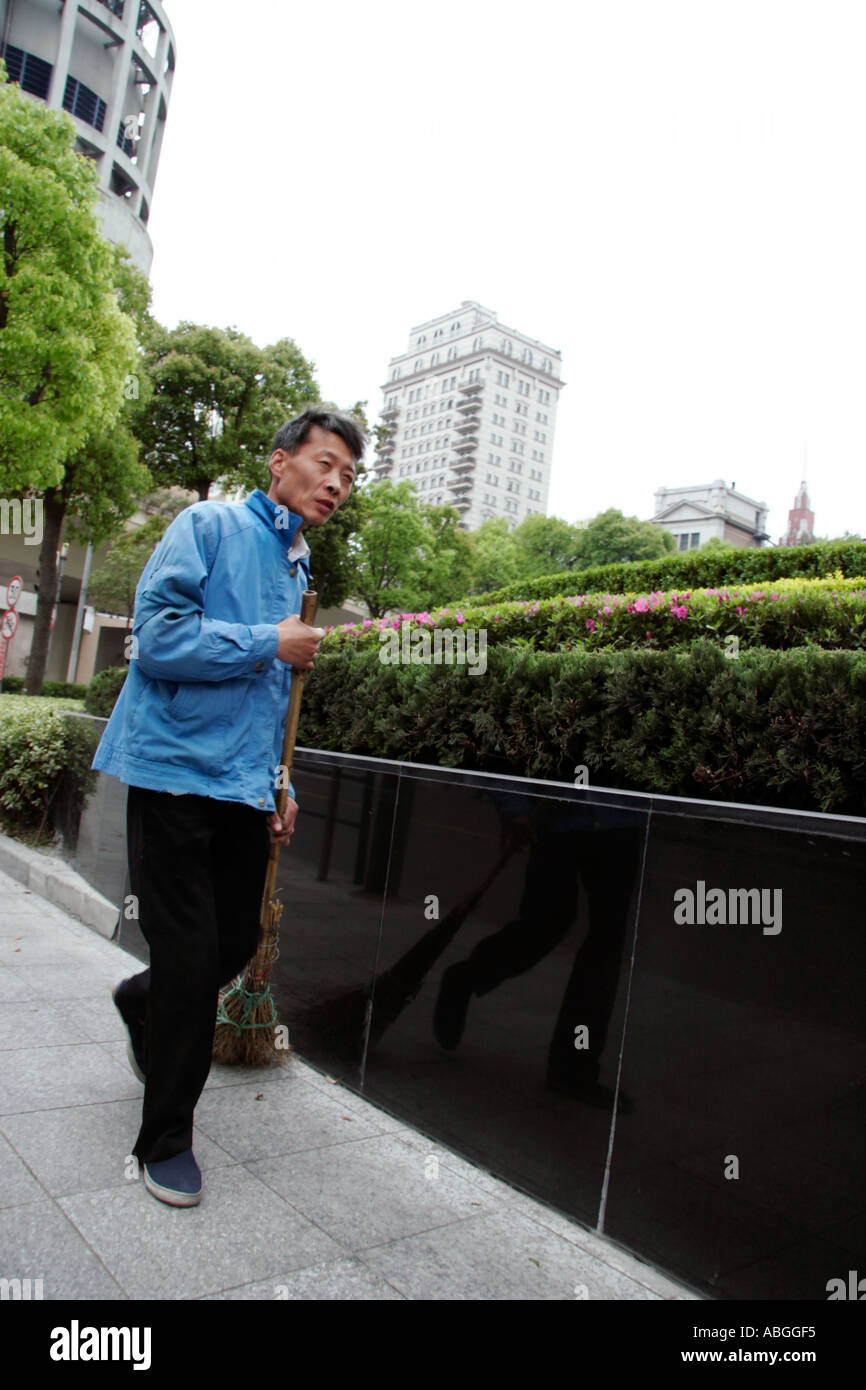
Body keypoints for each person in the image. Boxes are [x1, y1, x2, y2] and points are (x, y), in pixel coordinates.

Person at [92, 406, 365, 1207]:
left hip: (243, 786)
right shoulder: (207, 525)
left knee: (235, 938)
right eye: (323, 463)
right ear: (279, 462)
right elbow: (159, 638)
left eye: (349, 475)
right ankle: (164, 1141)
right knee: (187, 955)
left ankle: (140, 1000)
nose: (336, 483)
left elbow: (273, 703)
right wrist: (264, 641)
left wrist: (279, 786)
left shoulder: (298, 567)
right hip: (174, 771)